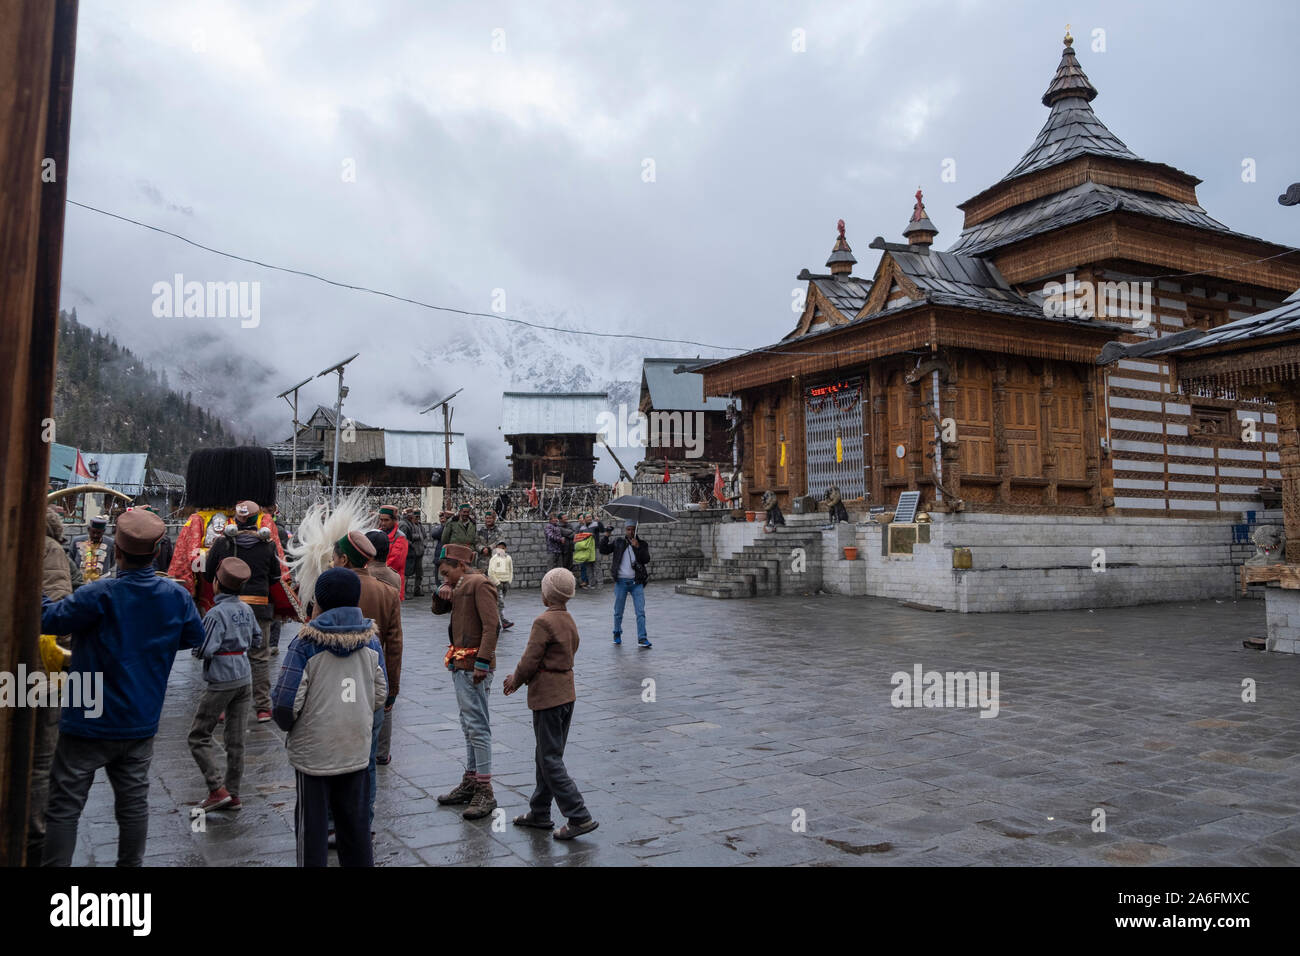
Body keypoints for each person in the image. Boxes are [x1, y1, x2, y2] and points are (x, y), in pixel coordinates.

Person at [40, 509, 205, 866]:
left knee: (65, 805)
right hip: (140, 720)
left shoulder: (98, 594)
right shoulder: (174, 597)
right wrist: (154, 646)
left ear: (118, 550)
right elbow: (195, 636)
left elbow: (48, 619)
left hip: (87, 719)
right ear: (158, 548)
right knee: (133, 804)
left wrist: (32, 585)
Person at [272, 567, 386, 868]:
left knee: (312, 829)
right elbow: (379, 694)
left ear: (318, 602)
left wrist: (294, 728)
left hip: (315, 756)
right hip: (356, 749)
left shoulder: (305, 644)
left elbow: (284, 703)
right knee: (356, 829)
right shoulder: (371, 642)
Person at [503, 568, 598, 840]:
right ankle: (540, 811)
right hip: (566, 693)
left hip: (548, 696)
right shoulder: (568, 619)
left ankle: (579, 815)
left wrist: (515, 680)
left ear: (547, 594)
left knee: (549, 758)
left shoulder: (543, 622)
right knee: (546, 754)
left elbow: (530, 660)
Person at [332, 531, 402, 804]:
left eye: (334, 558)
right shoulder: (389, 592)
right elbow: (394, 646)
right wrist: (392, 690)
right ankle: (363, 822)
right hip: (373, 679)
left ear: (345, 559)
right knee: (368, 761)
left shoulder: (332, 588)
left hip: (337, 679)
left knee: (338, 754)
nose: (333, 562)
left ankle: (335, 819)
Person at [432, 542, 500, 821]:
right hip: (461, 664)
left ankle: (485, 788)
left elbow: (491, 625)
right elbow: (438, 610)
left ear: (461, 566)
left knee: (477, 725)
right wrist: (441, 592)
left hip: (474, 667)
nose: (444, 577)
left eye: (447, 572)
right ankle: (472, 779)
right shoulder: (460, 585)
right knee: (468, 723)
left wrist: (483, 662)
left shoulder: (479, 584)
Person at [188, 557, 258, 813]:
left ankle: (217, 788)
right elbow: (257, 638)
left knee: (198, 735)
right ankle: (234, 793)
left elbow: (204, 650)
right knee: (236, 739)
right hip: (244, 676)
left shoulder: (215, 614)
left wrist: (195, 647)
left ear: (217, 583)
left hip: (221, 679)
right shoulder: (247, 609)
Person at [203, 500, 277, 723]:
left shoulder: (222, 543)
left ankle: (222, 707)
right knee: (260, 657)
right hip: (259, 607)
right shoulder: (269, 545)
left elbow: (208, 575)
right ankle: (263, 708)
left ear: (235, 520)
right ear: (257, 520)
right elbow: (275, 578)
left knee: (223, 653)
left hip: (226, 609)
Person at [30, 507, 74, 864]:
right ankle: (35, 829)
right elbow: (58, 608)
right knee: (44, 752)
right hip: (42, 665)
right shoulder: (50, 548)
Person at [598, 522, 651, 648]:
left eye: (633, 529)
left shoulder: (642, 544)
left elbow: (646, 559)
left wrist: (637, 547)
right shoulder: (619, 542)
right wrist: (606, 535)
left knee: (640, 612)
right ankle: (617, 633)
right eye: (628, 529)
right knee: (618, 611)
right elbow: (603, 550)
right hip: (621, 582)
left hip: (636, 582)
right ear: (625, 530)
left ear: (636, 530)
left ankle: (642, 638)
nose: (631, 532)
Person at [67, 514, 114, 582]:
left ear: (103, 531)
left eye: (99, 533)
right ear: (89, 530)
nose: (95, 535)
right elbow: (71, 559)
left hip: (101, 582)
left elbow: (112, 562)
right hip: (80, 581)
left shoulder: (110, 543)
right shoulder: (77, 541)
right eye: (93, 532)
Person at [376, 505, 408, 598]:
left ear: (394, 520)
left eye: (386, 520)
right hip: (377, 579)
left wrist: (375, 569)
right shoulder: (377, 533)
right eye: (381, 520)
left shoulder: (400, 537)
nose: (383, 523)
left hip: (392, 582)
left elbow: (396, 562)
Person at [487, 540, 514, 631]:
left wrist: (509, 580)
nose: (501, 550)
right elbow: (491, 572)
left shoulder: (508, 558)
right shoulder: (494, 559)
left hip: (505, 583)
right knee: (501, 603)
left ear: (505, 549)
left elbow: (510, 570)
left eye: (503, 548)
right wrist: (497, 582)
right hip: (498, 583)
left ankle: (496, 622)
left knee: (499, 603)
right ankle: (504, 621)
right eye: (499, 548)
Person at [400, 508, 426, 597]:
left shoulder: (419, 526)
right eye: (415, 516)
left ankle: (417, 590)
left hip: (418, 552)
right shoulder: (405, 525)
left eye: (418, 517)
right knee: (406, 572)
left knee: (419, 572)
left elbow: (424, 536)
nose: (417, 518)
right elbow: (404, 538)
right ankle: (404, 591)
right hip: (410, 551)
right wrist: (413, 542)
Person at [573, 515, 598, 589]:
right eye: (580, 518)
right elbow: (576, 537)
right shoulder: (579, 528)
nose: (582, 519)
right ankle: (584, 581)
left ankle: (589, 582)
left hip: (589, 549)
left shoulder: (589, 526)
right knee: (583, 566)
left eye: (582, 518)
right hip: (582, 548)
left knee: (588, 566)